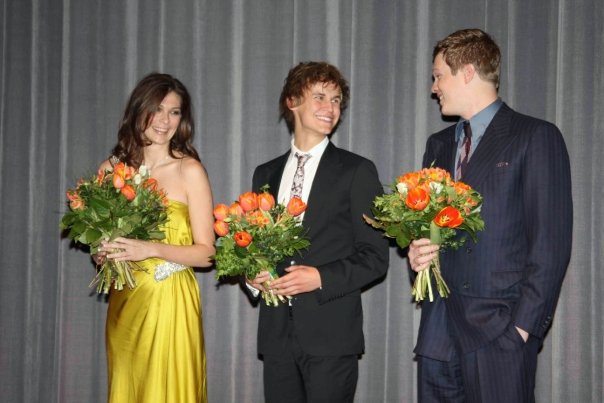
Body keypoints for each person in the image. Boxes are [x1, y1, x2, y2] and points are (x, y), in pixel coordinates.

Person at [408, 29, 572, 402]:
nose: (434, 88)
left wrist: (523, 328)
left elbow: (552, 242)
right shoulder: (439, 145)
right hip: (438, 332)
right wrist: (417, 255)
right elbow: (431, 229)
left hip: (499, 331)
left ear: (466, 72)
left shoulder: (535, 136)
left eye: (438, 76)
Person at [247, 61, 389, 403]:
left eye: (337, 100)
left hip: (332, 336)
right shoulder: (264, 174)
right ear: (292, 101)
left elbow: (375, 258)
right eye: (321, 97)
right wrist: (251, 276)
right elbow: (252, 248)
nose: (331, 108)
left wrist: (320, 277)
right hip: (276, 336)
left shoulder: (357, 171)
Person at [96, 73, 215, 402]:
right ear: (138, 111)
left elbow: (207, 253)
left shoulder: (189, 170)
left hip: (170, 301)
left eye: (174, 112)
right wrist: (105, 253)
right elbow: (100, 248)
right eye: (158, 109)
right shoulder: (111, 170)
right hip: (125, 302)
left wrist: (150, 249)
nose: (165, 120)